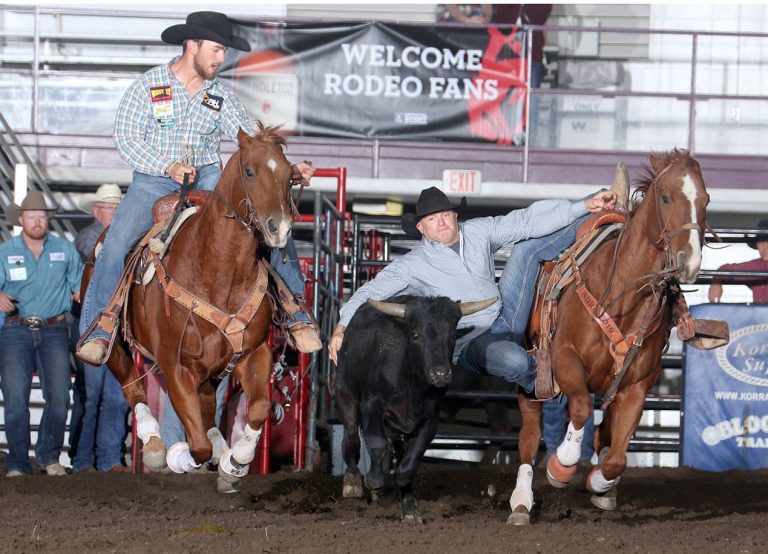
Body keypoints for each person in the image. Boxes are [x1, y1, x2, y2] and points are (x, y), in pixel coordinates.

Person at [77, 11, 320, 367]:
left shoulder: (218, 96)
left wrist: (284, 169)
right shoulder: (148, 85)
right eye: (217, 50)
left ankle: (294, 308)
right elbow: (127, 138)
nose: (221, 59)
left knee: (271, 225)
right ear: (193, 45)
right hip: (153, 181)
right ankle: (100, 325)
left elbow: (254, 140)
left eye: (223, 52)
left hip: (207, 178)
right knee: (114, 245)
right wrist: (168, 165)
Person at [328, 180, 627, 400]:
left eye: (445, 214)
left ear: (455, 215)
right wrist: (342, 327)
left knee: (526, 246)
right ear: (421, 228)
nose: (442, 222)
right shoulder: (412, 265)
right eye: (432, 219)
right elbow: (372, 291)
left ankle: (600, 215)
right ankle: (538, 380)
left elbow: (525, 220)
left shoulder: (478, 231)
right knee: (514, 361)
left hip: (506, 310)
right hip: (471, 341)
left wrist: (583, 205)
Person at [0, 191, 83, 476]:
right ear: (21, 219)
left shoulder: (65, 250)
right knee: (14, 400)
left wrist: (81, 289)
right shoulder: (5, 251)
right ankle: (17, 462)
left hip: (54, 329)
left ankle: (49, 457)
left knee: (60, 396)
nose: (37, 221)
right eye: (32, 216)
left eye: (42, 216)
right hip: (16, 329)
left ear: (48, 218)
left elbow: (79, 283)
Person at [69, 183, 130, 473]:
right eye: (110, 207)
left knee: (113, 396)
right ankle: (87, 459)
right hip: (94, 323)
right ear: (97, 211)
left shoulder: (116, 239)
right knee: (93, 396)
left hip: (106, 323)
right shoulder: (91, 238)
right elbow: (100, 258)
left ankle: (106, 458)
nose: (115, 212)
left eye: (118, 207)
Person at [709, 218, 768, 304]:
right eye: (762, 243)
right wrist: (716, 282)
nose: (765, 247)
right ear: (757, 245)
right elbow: (724, 269)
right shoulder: (756, 266)